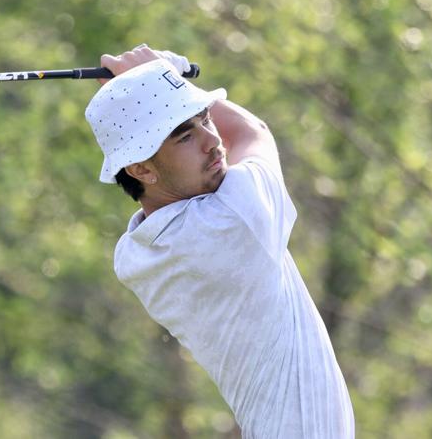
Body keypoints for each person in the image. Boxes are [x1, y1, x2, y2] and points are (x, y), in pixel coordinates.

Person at [85, 45, 355, 438]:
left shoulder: (136, 251)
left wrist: (155, 87)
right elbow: (251, 132)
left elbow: (228, 143)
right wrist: (166, 76)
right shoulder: (233, 221)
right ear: (141, 168)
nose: (212, 141)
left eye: (205, 118)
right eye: (183, 135)